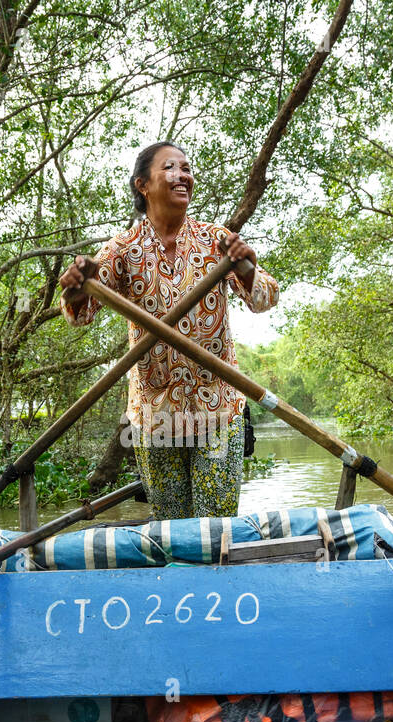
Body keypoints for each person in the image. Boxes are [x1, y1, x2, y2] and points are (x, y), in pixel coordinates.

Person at [58, 141, 279, 520]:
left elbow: (265, 298)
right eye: (171, 168)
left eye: (187, 169)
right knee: (172, 528)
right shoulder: (122, 250)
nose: (183, 176)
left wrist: (244, 267)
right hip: (154, 414)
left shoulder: (215, 241)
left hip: (217, 407)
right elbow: (80, 316)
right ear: (142, 185)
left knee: (215, 530)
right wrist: (77, 287)